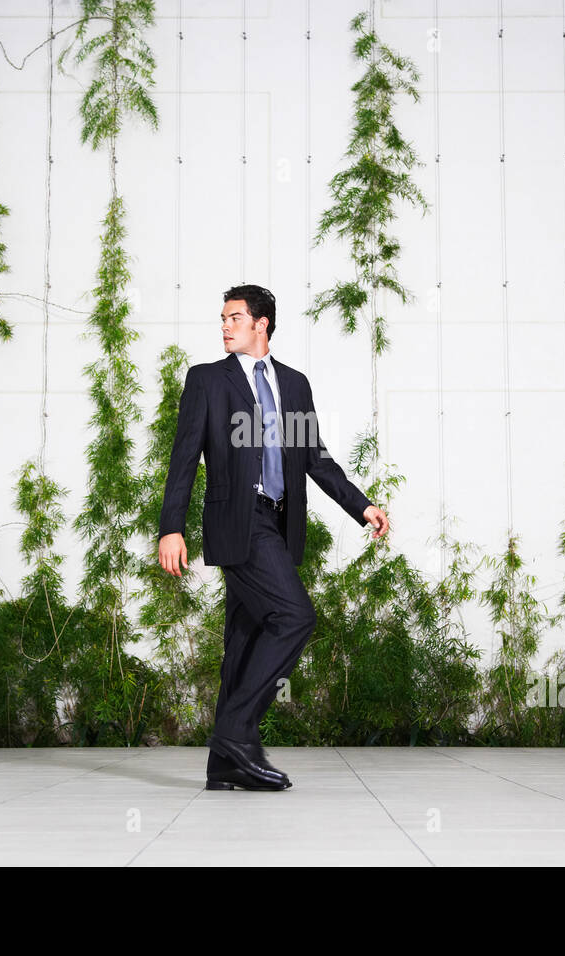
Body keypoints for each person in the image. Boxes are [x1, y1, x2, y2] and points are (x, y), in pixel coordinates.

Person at [158, 284, 390, 791]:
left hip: (280, 523)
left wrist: (362, 505)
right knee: (294, 616)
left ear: (261, 324)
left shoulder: (293, 384)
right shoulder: (207, 380)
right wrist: (171, 527)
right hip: (238, 521)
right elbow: (184, 457)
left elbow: (314, 458)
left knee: (243, 643)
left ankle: (224, 767)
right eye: (223, 318)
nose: (225, 327)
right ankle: (236, 733)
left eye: (235, 318)